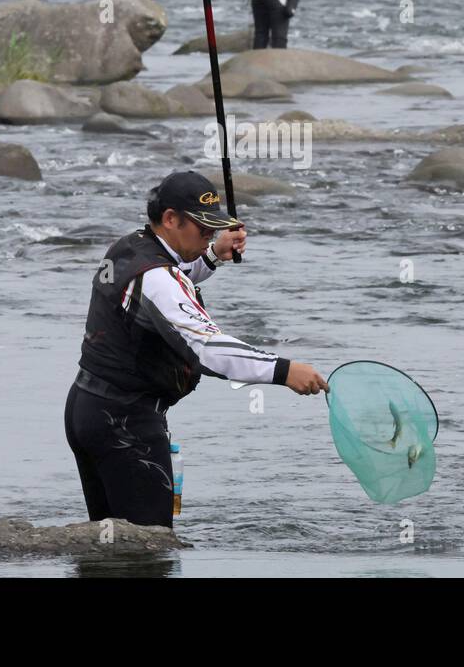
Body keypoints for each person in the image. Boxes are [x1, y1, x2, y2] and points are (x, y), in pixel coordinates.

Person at [65, 170, 329, 528]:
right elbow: (206, 348)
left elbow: (173, 276)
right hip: (125, 424)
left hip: (87, 409)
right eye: (203, 229)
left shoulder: (131, 246)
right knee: (150, 548)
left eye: (213, 229)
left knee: (109, 543)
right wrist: (283, 371)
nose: (210, 235)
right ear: (170, 218)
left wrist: (211, 256)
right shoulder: (158, 278)